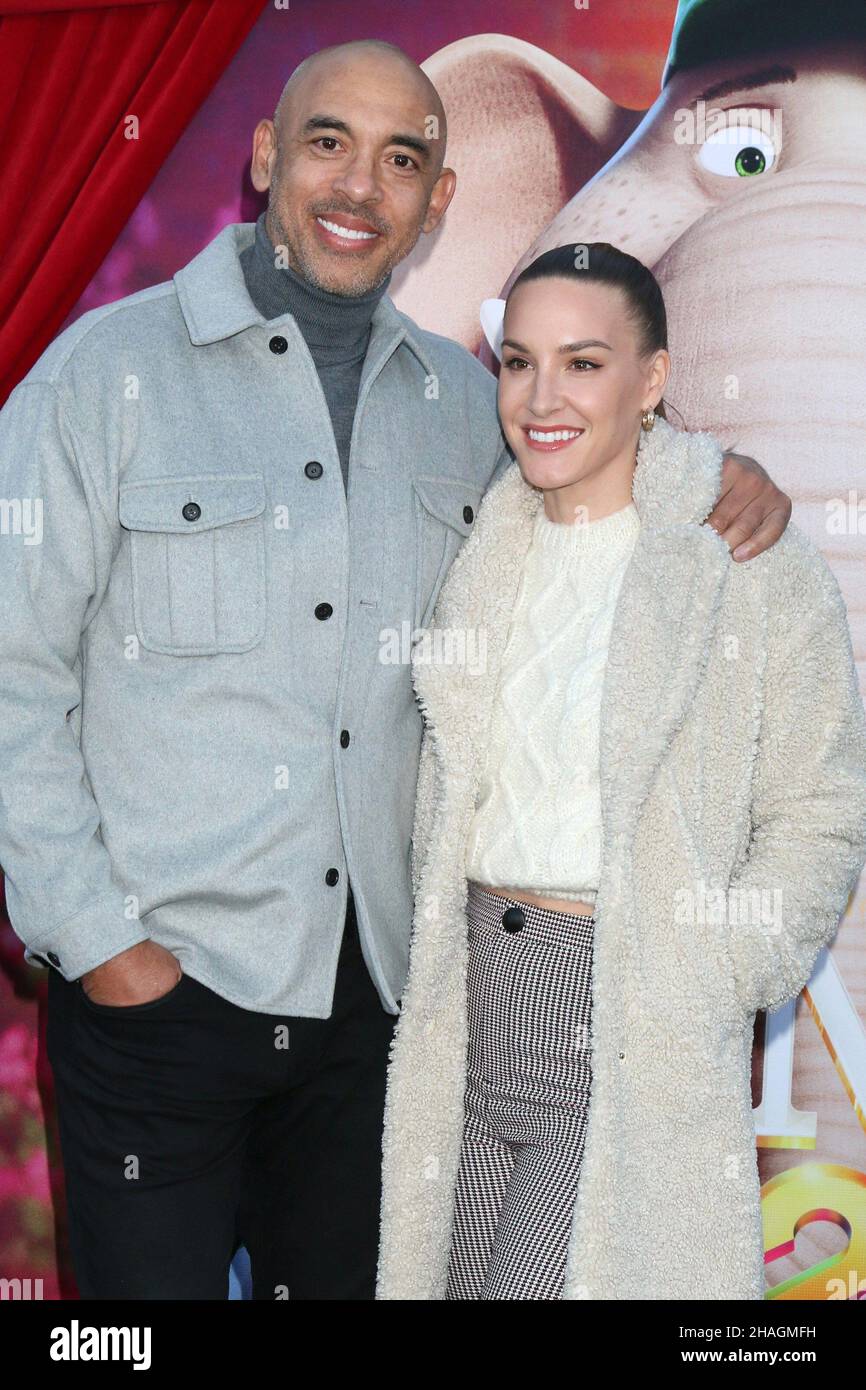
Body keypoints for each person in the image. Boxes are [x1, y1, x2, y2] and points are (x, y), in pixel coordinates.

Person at [0, 38, 790, 1301]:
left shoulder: (455, 408)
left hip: (371, 1022)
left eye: (401, 158)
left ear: (440, 199)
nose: (359, 185)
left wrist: (717, 475)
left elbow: (593, 496)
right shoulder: (105, 377)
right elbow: (12, 676)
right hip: (157, 1006)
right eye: (328, 142)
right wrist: (105, 948)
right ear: (266, 158)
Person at [376, 242, 866, 1301]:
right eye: (517, 362)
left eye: (583, 363)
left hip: (622, 1012)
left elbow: (818, 807)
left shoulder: (744, 562)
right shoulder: (482, 540)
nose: (542, 397)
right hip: (463, 1010)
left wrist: (710, 968)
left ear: (652, 381)